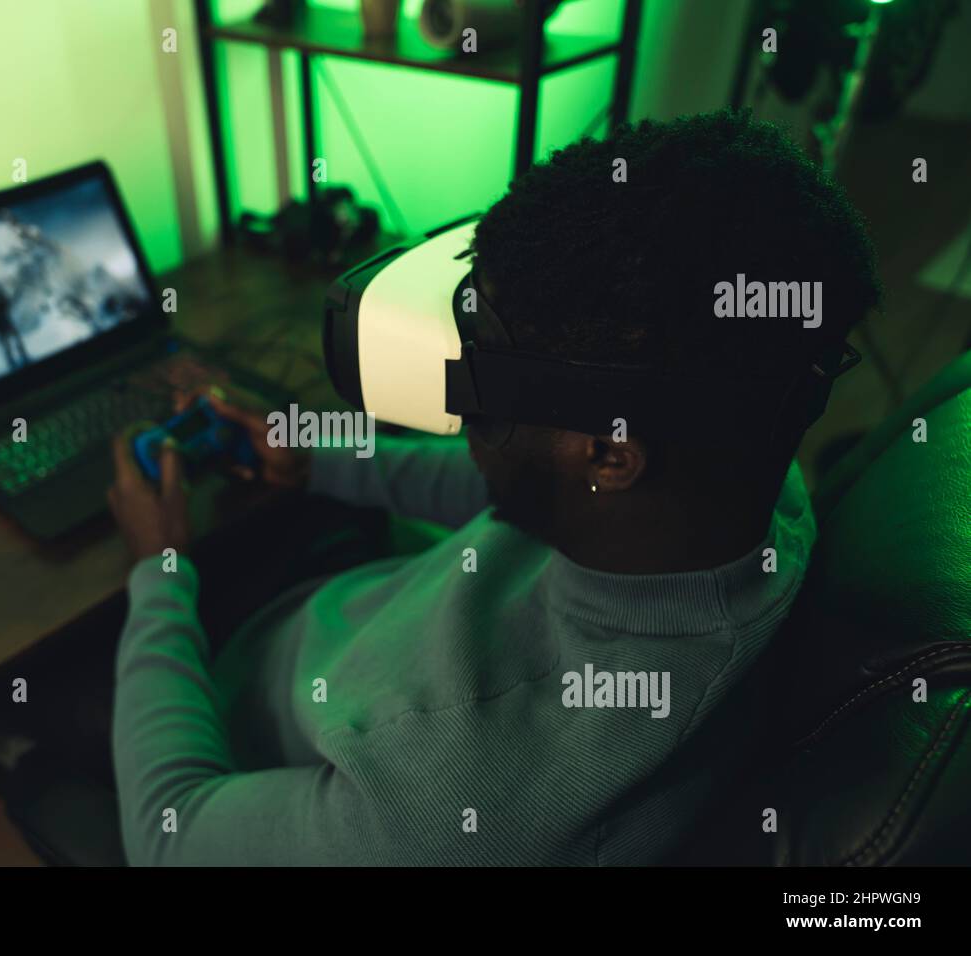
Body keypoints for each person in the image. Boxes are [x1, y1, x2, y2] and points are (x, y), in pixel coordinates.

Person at [103, 109, 881, 865]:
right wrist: (317, 453)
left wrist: (160, 570)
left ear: (608, 455)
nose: (461, 409)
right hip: (354, 632)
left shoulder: (459, 799)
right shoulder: (751, 481)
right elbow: (516, 486)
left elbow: (168, 833)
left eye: (482, 379)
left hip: (227, 716)